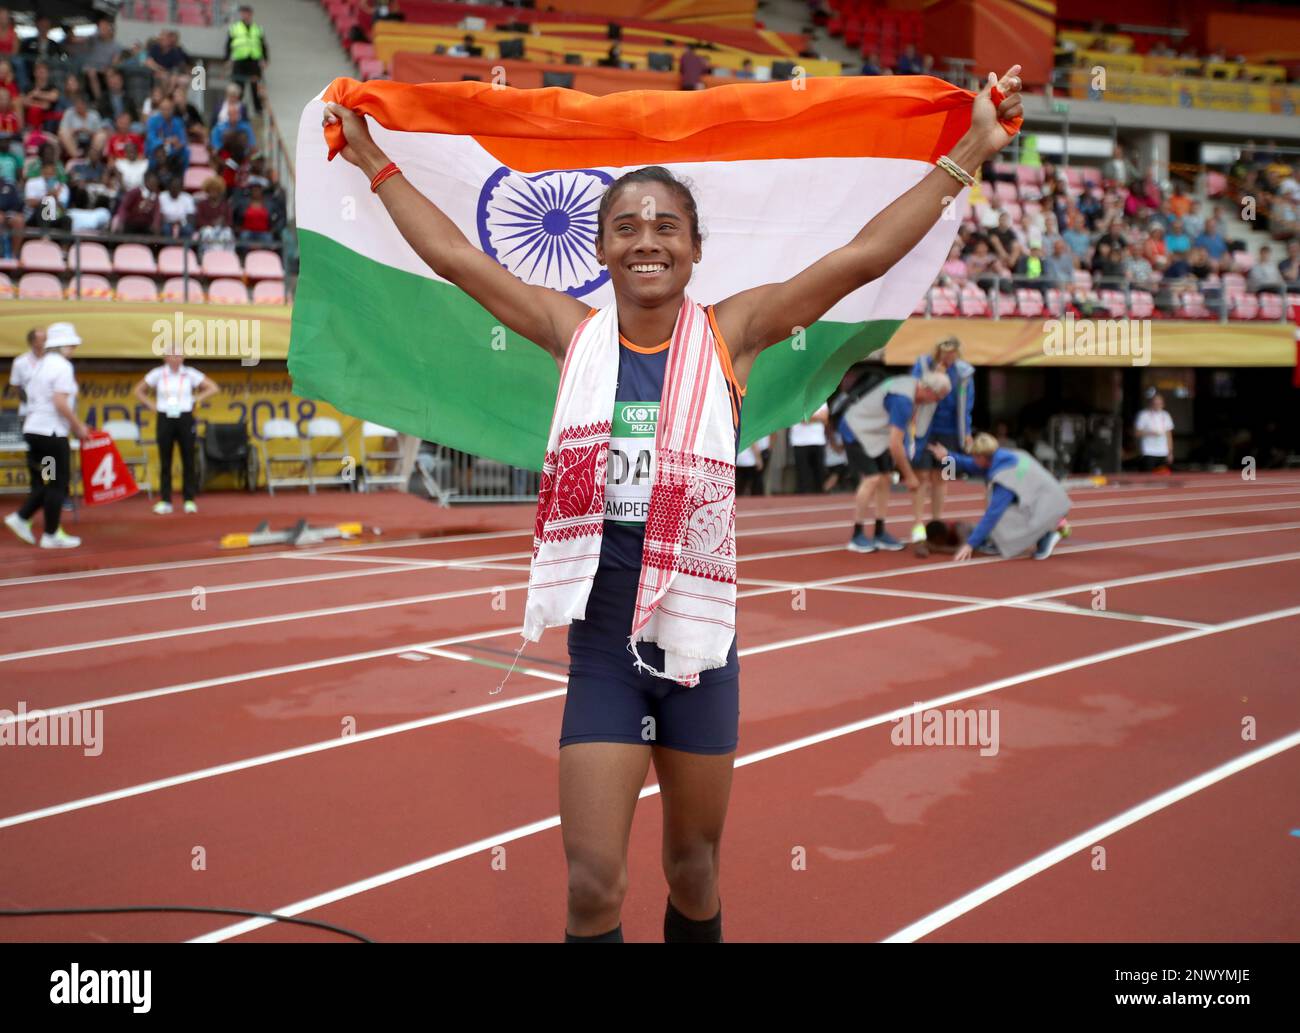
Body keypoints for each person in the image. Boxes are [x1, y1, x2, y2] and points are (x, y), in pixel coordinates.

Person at [323, 63, 1024, 943]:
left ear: (694, 250)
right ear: (600, 249)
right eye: (625, 227)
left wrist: (973, 149)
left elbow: (862, 259)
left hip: (698, 646)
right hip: (605, 645)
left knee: (693, 870)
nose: (645, 240)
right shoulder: (571, 333)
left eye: (666, 227)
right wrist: (373, 159)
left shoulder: (734, 332)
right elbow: (457, 258)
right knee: (592, 883)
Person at [839, 370, 950, 552]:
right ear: (929, 390)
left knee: (885, 479)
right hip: (855, 430)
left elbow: (901, 435)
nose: (936, 402)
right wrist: (909, 476)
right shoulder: (902, 400)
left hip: (877, 433)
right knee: (872, 478)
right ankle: (857, 535)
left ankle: (880, 532)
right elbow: (895, 444)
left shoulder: (911, 386)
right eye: (938, 397)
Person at [4, 323, 90, 549]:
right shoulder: (62, 366)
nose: (74, 349)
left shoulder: (40, 365)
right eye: (72, 345)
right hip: (51, 434)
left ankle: (26, 519)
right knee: (57, 483)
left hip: (35, 431)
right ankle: (46, 532)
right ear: (63, 346)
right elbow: (60, 401)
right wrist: (78, 427)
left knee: (50, 481)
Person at [928, 434, 1071, 561]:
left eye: (975, 456)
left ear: (983, 457)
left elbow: (993, 514)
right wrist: (948, 456)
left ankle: (1045, 535)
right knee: (999, 507)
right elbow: (971, 464)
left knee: (1000, 515)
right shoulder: (1004, 456)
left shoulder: (1005, 476)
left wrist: (970, 544)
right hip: (1049, 498)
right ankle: (1048, 525)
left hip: (1050, 505)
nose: (973, 459)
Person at [133, 351, 218, 514]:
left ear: (183, 357)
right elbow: (138, 390)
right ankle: (165, 500)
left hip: (185, 416)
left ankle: (189, 500)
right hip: (165, 416)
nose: (175, 358)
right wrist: (152, 405)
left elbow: (213, 387)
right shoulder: (158, 373)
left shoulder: (189, 373)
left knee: (188, 458)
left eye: (178, 355)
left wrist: (196, 399)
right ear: (165, 357)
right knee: (165, 459)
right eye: (172, 355)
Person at [909, 337, 974, 543]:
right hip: (924, 430)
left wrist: (967, 432)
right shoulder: (922, 364)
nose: (949, 356)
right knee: (921, 476)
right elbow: (913, 391)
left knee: (943, 477)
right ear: (938, 351)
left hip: (951, 433)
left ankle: (936, 523)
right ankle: (918, 524)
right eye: (946, 352)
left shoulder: (965, 372)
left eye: (953, 353)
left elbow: (967, 405)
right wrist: (934, 376)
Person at [226, 7, 268, 118]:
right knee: (238, 87)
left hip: (254, 61)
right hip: (240, 61)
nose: (245, 15)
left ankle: (258, 110)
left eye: (247, 13)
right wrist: (227, 59)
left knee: (256, 87)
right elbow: (228, 44)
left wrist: (265, 59)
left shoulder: (257, 29)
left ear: (251, 14)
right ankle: (236, 110)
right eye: (243, 13)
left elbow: (263, 45)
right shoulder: (235, 28)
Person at [7, 327, 45, 424]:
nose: (46, 342)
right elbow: (15, 385)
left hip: (48, 413)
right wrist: (28, 401)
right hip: (27, 412)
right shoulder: (20, 362)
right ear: (33, 342)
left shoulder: (53, 361)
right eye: (43, 339)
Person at [789, 404, 829, 493]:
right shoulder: (796, 400)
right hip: (799, 442)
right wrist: (818, 417)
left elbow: (825, 419)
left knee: (820, 473)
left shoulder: (821, 400)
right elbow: (801, 419)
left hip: (818, 441)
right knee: (803, 475)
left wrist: (808, 417)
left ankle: (820, 495)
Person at [1135, 391, 1174, 472]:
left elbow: (1169, 435)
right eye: (1155, 403)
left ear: (1163, 404)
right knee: (1148, 476)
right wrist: (1150, 433)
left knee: (1162, 475)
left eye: (1159, 403)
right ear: (1151, 403)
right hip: (1148, 451)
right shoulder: (1143, 415)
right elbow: (1137, 433)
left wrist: (1170, 452)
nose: (1157, 405)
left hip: (1163, 452)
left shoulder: (1166, 415)